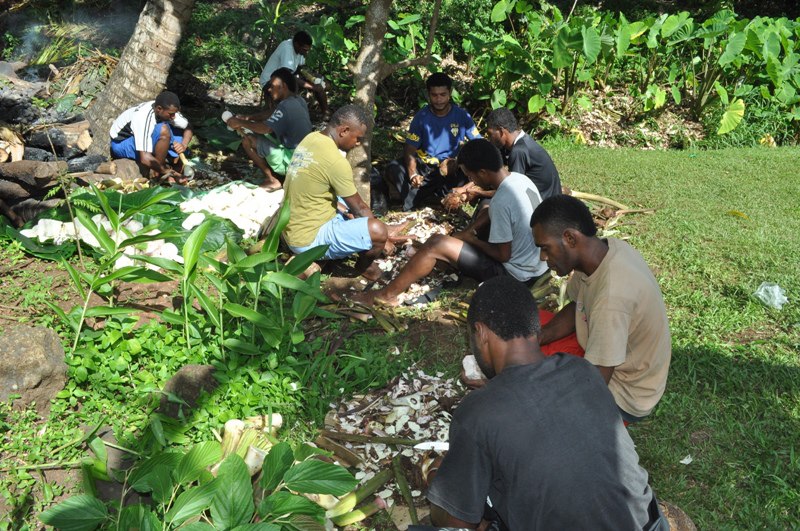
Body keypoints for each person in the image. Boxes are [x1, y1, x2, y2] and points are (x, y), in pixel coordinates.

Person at [426, 276, 668, 530]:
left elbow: (458, 523)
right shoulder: (583, 371)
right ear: (536, 327)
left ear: (482, 332)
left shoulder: (476, 414)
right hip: (647, 523)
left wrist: (437, 484)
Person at [353, 139, 547, 307]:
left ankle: (385, 295)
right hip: (538, 266)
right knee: (483, 211)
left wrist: (472, 240)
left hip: (517, 277)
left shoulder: (502, 201)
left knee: (436, 243)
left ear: (482, 172)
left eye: (470, 176)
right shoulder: (521, 180)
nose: (471, 181)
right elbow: (493, 210)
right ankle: (446, 259)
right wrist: (470, 230)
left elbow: (503, 256)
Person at [531, 194, 672, 423]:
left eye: (545, 248)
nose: (542, 257)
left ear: (570, 238)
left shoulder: (612, 298)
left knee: (536, 398)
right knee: (533, 328)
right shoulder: (603, 251)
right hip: (607, 355)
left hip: (623, 394)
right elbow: (578, 304)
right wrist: (541, 337)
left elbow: (593, 385)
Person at [282, 104, 391, 280]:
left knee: (344, 192)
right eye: (357, 138)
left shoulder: (311, 138)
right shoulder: (335, 162)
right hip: (308, 240)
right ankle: (366, 268)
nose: (357, 144)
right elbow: (360, 209)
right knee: (377, 231)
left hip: (292, 227)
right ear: (344, 130)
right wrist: (383, 240)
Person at [385, 72, 481, 211]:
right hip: (427, 167)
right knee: (394, 168)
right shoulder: (421, 117)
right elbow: (410, 148)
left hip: (453, 167)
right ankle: (431, 198)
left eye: (443, 94)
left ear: (450, 93)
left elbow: (478, 143)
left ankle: (431, 197)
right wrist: (413, 174)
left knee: (472, 174)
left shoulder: (462, 116)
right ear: (428, 94)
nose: (439, 99)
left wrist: (459, 161)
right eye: (434, 95)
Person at [226, 67, 312, 191]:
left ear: (283, 86)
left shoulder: (286, 105)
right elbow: (272, 113)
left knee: (248, 141)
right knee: (258, 132)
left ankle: (272, 180)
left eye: (272, 86)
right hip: (306, 157)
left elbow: (266, 128)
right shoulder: (299, 100)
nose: (270, 89)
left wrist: (240, 122)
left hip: (294, 162)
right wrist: (248, 118)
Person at [109, 90, 193, 181]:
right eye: (171, 114)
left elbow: (188, 127)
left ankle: (173, 163)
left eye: (175, 113)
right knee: (163, 130)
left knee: (178, 130)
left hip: (145, 135)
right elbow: (144, 158)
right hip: (121, 144)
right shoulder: (143, 117)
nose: (173, 116)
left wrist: (183, 145)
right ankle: (159, 173)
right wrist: (170, 173)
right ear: (159, 109)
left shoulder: (168, 110)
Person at [259, 31, 328, 115]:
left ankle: (325, 114)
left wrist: (312, 78)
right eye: (305, 50)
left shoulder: (299, 51)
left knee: (319, 87)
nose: (306, 53)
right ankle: (285, 113)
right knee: (298, 86)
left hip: (285, 78)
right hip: (270, 81)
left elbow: (299, 69)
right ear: (296, 44)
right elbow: (287, 76)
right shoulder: (287, 48)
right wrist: (311, 86)